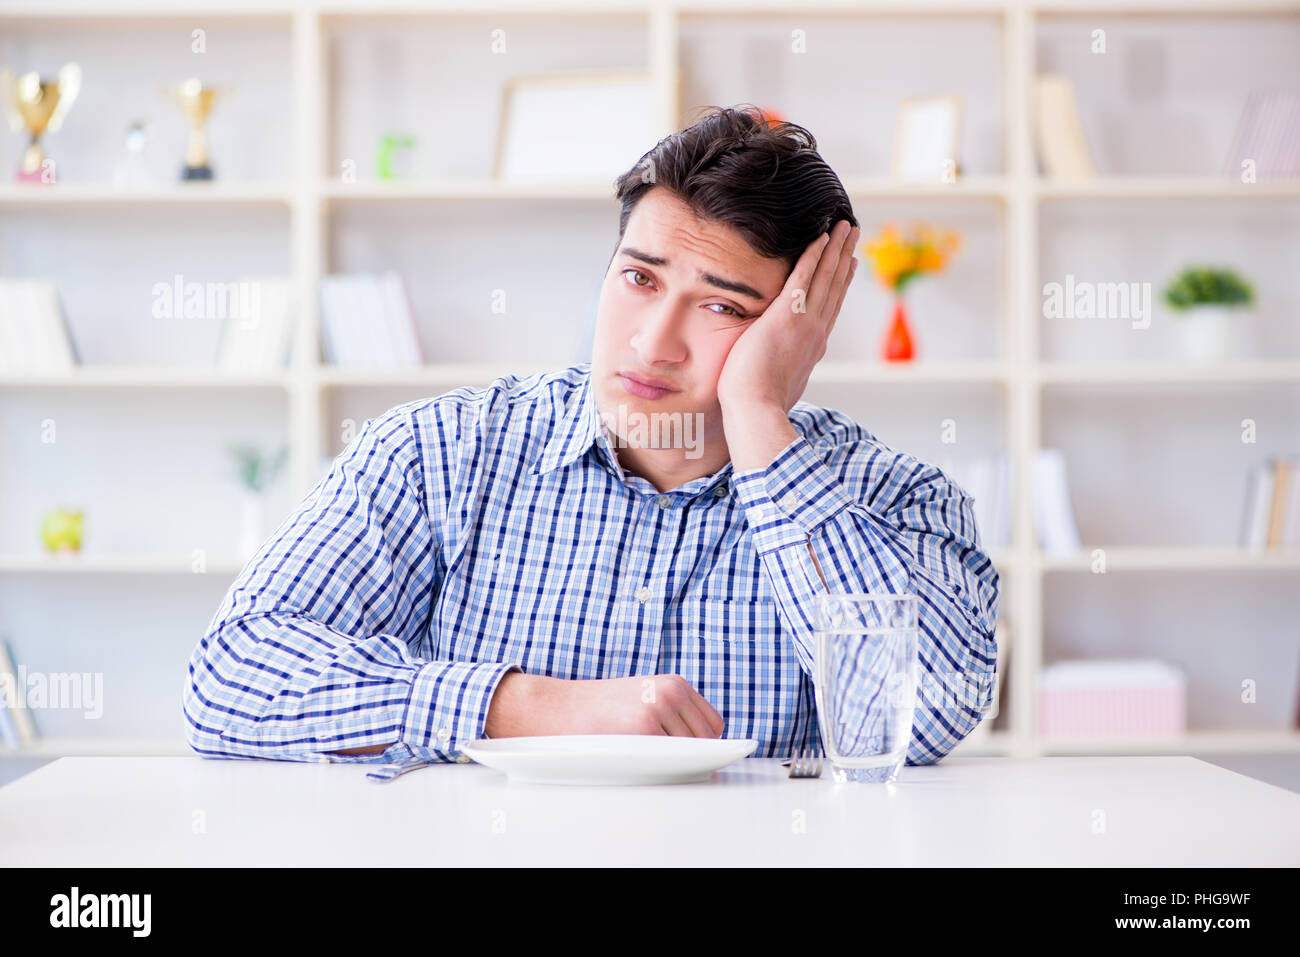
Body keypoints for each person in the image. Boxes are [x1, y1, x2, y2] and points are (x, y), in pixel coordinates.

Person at [183, 106, 1000, 767]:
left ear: (801, 326)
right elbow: (228, 679)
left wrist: (757, 417)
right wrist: (532, 706)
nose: (653, 341)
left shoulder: (896, 502)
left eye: (722, 307)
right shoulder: (441, 453)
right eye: (639, 279)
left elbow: (924, 717)